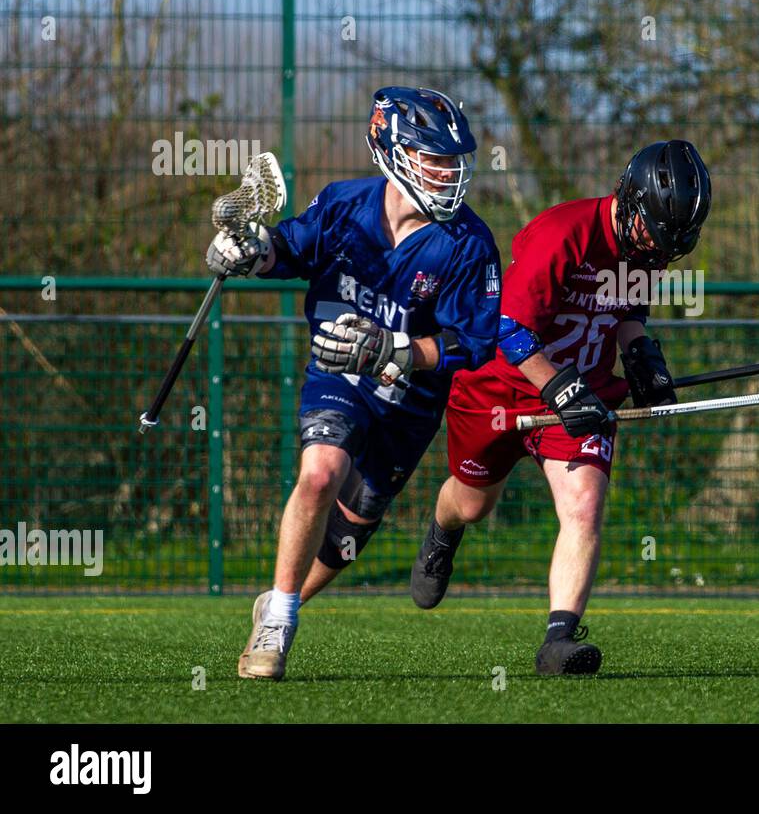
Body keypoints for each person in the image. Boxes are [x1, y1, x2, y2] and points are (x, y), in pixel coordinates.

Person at [207, 87, 502, 680]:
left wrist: (398, 349)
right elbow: (288, 249)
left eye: (454, 161)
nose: (450, 173)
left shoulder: (468, 244)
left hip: (410, 400)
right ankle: (279, 625)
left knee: (350, 534)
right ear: (392, 150)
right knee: (320, 472)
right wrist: (249, 250)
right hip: (339, 371)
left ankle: (281, 597)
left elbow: (473, 342)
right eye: (435, 159)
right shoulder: (344, 206)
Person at [412, 139, 711, 675]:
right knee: (473, 503)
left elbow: (626, 311)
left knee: (583, 504)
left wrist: (642, 358)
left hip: (585, 392)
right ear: (630, 201)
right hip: (502, 388)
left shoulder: (645, 248)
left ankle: (559, 639)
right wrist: (558, 388)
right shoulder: (561, 235)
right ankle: (443, 530)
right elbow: (508, 329)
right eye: (658, 234)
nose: (661, 252)